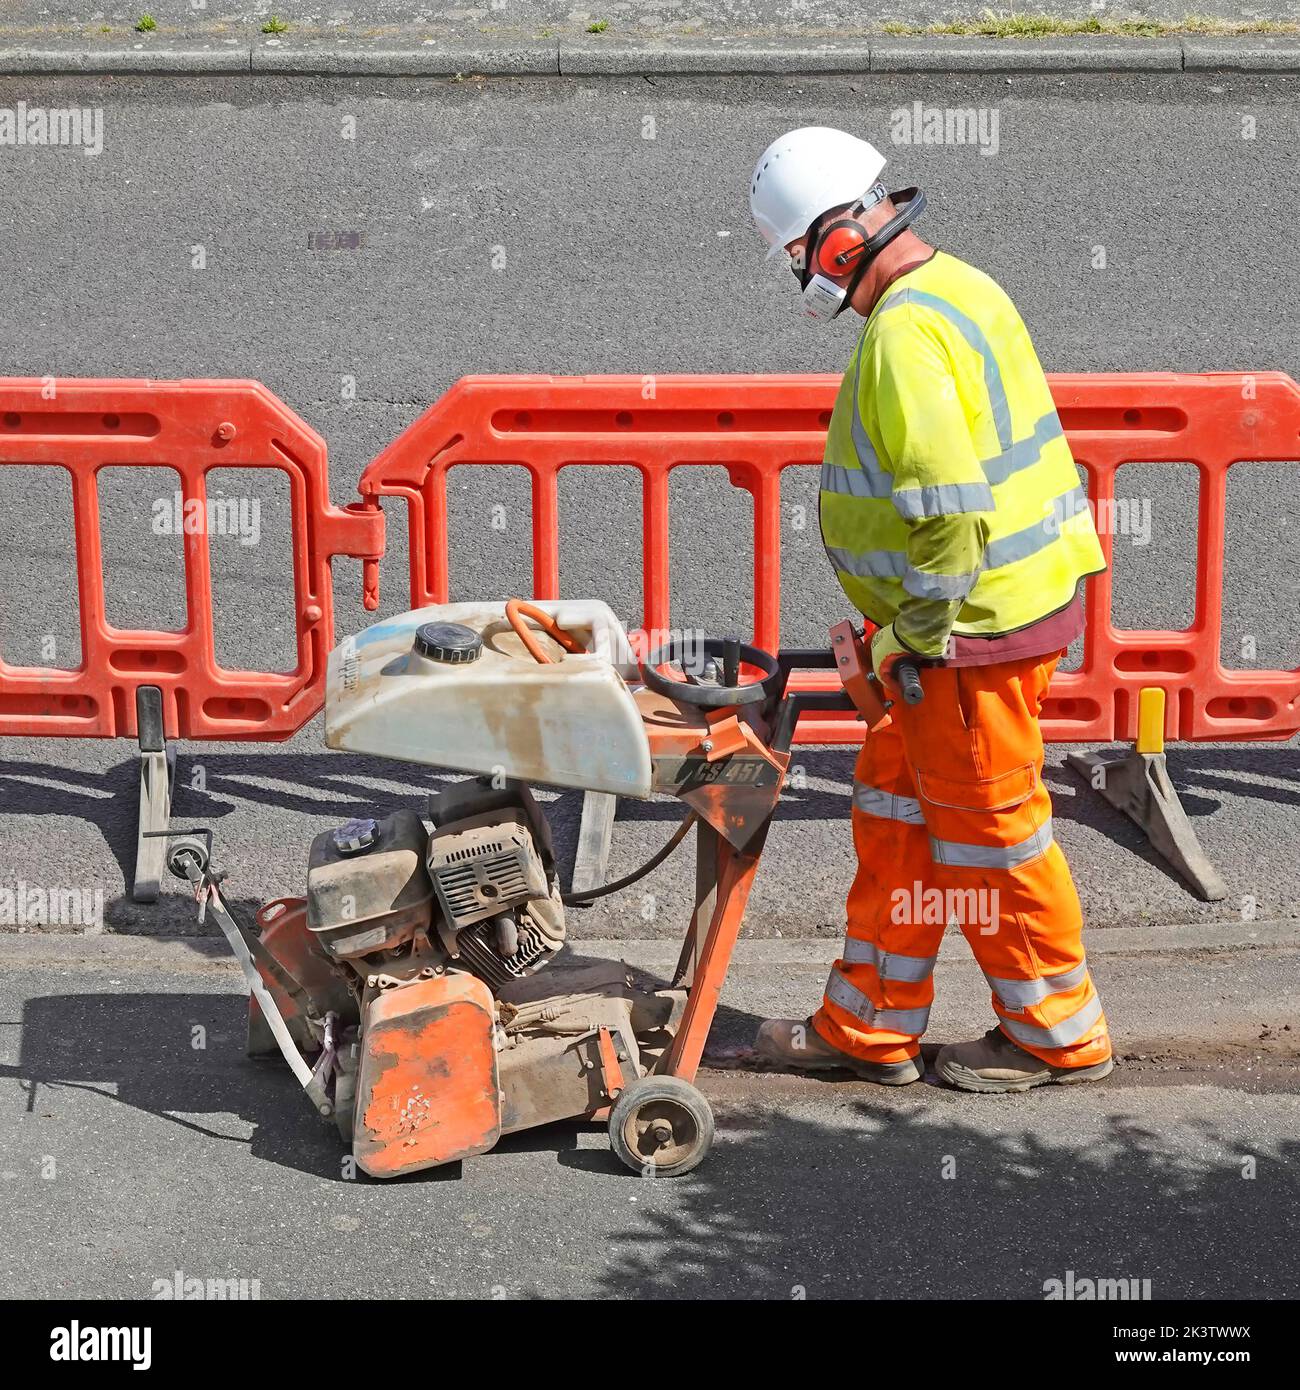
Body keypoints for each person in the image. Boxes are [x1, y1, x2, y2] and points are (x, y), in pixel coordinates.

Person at [748, 127, 1113, 1092]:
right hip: (978, 625)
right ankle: (868, 1025)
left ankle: (1054, 1035)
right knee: (898, 814)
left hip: (966, 640)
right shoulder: (961, 284)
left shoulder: (904, 332)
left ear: (834, 242)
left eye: (795, 253)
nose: (800, 274)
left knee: (993, 837)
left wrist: (911, 639)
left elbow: (952, 510)